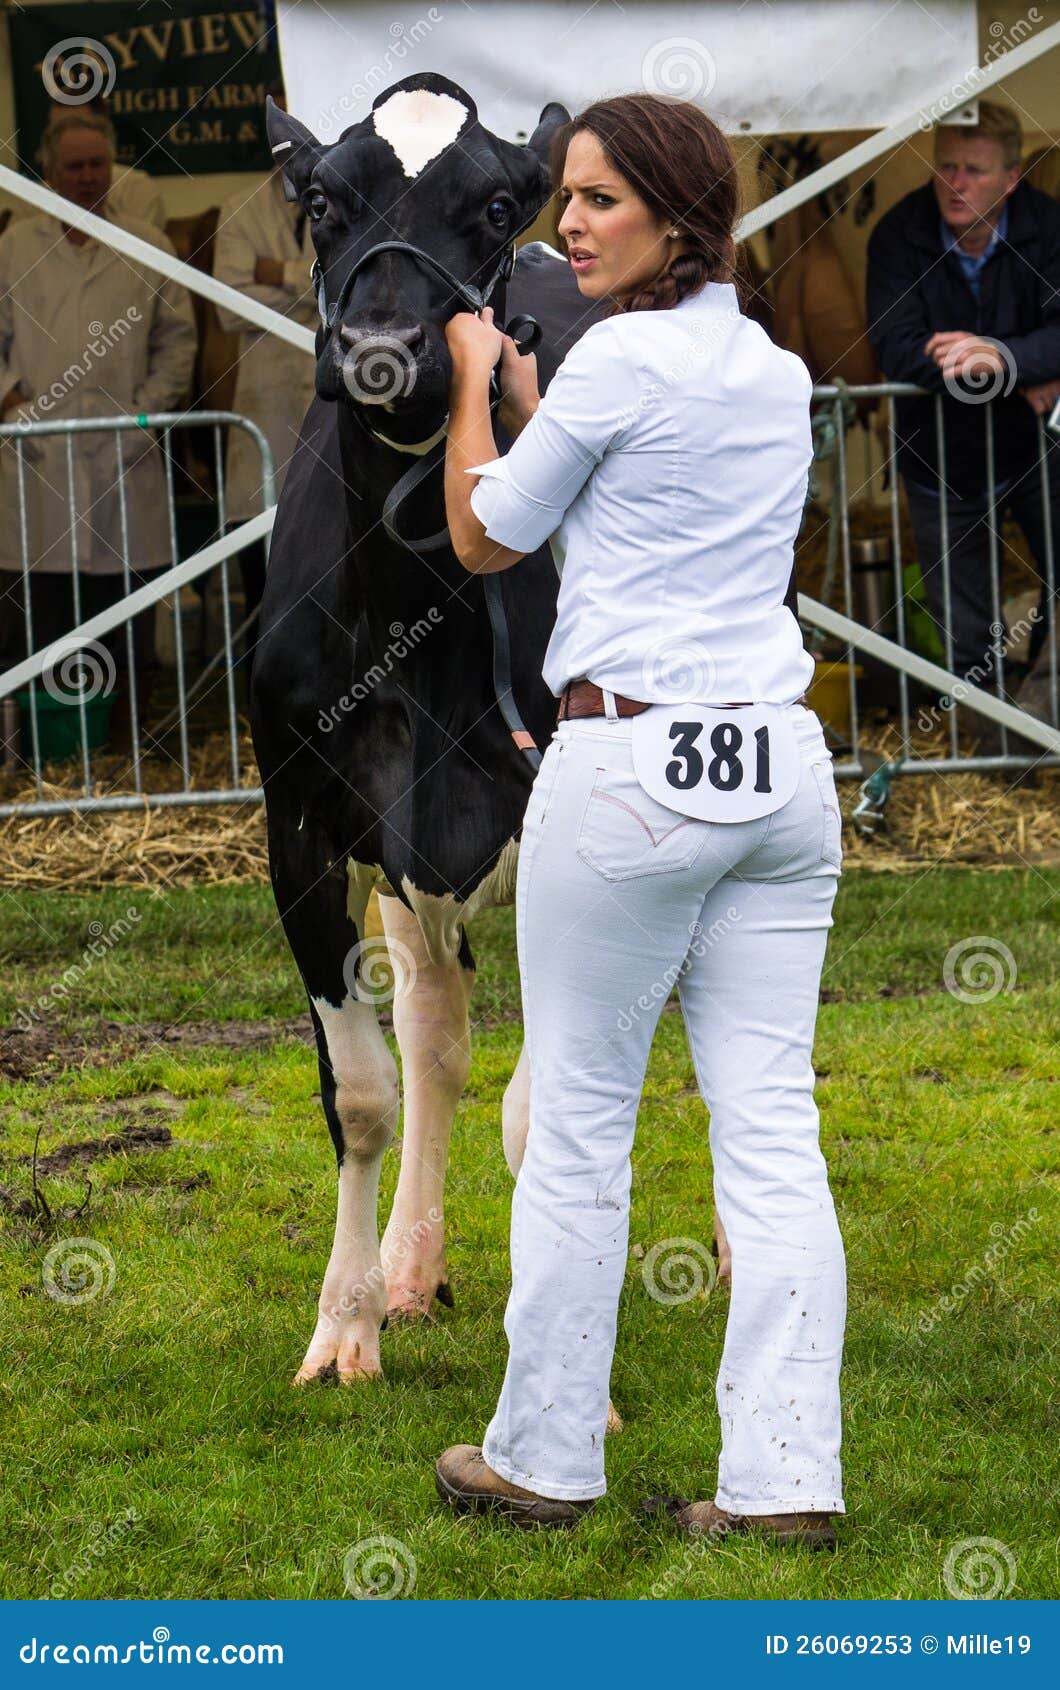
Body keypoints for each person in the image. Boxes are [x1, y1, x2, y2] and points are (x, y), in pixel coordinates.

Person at [435, 94, 845, 1547]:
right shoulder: (774, 370)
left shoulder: (609, 364)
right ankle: (790, 1472)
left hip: (630, 766)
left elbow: (489, 528)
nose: (569, 222)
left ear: (677, 213)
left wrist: (477, 381)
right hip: (780, 775)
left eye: (600, 199)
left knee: (582, 1123)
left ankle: (543, 1454)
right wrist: (556, 411)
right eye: (569, 197)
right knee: (773, 1129)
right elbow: (628, 507)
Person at [0, 111, 195, 745]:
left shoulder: (148, 244)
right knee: (41, 611)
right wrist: (10, 406)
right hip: (37, 457)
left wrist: (144, 414)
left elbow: (177, 341)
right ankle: (46, 746)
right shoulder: (12, 248)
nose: (87, 178)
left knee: (125, 608)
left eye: (97, 166)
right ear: (48, 174)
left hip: (124, 456)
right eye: (73, 168)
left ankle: (122, 744)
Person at [866, 102, 1060, 730]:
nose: (954, 183)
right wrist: (1021, 369)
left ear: (1011, 178)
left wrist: (998, 355)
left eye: (974, 171)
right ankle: (984, 743)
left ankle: (1043, 720)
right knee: (963, 612)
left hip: (1039, 449)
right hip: (939, 454)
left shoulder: (1050, 226)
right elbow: (894, 345)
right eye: (944, 166)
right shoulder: (899, 232)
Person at [212, 87, 317, 678]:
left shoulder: (347, 198)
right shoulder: (238, 207)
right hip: (267, 404)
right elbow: (228, 307)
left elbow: (345, 295)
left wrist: (273, 273)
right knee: (260, 562)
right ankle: (261, 687)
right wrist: (311, 286)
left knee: (324, 552)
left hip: (320, 404)